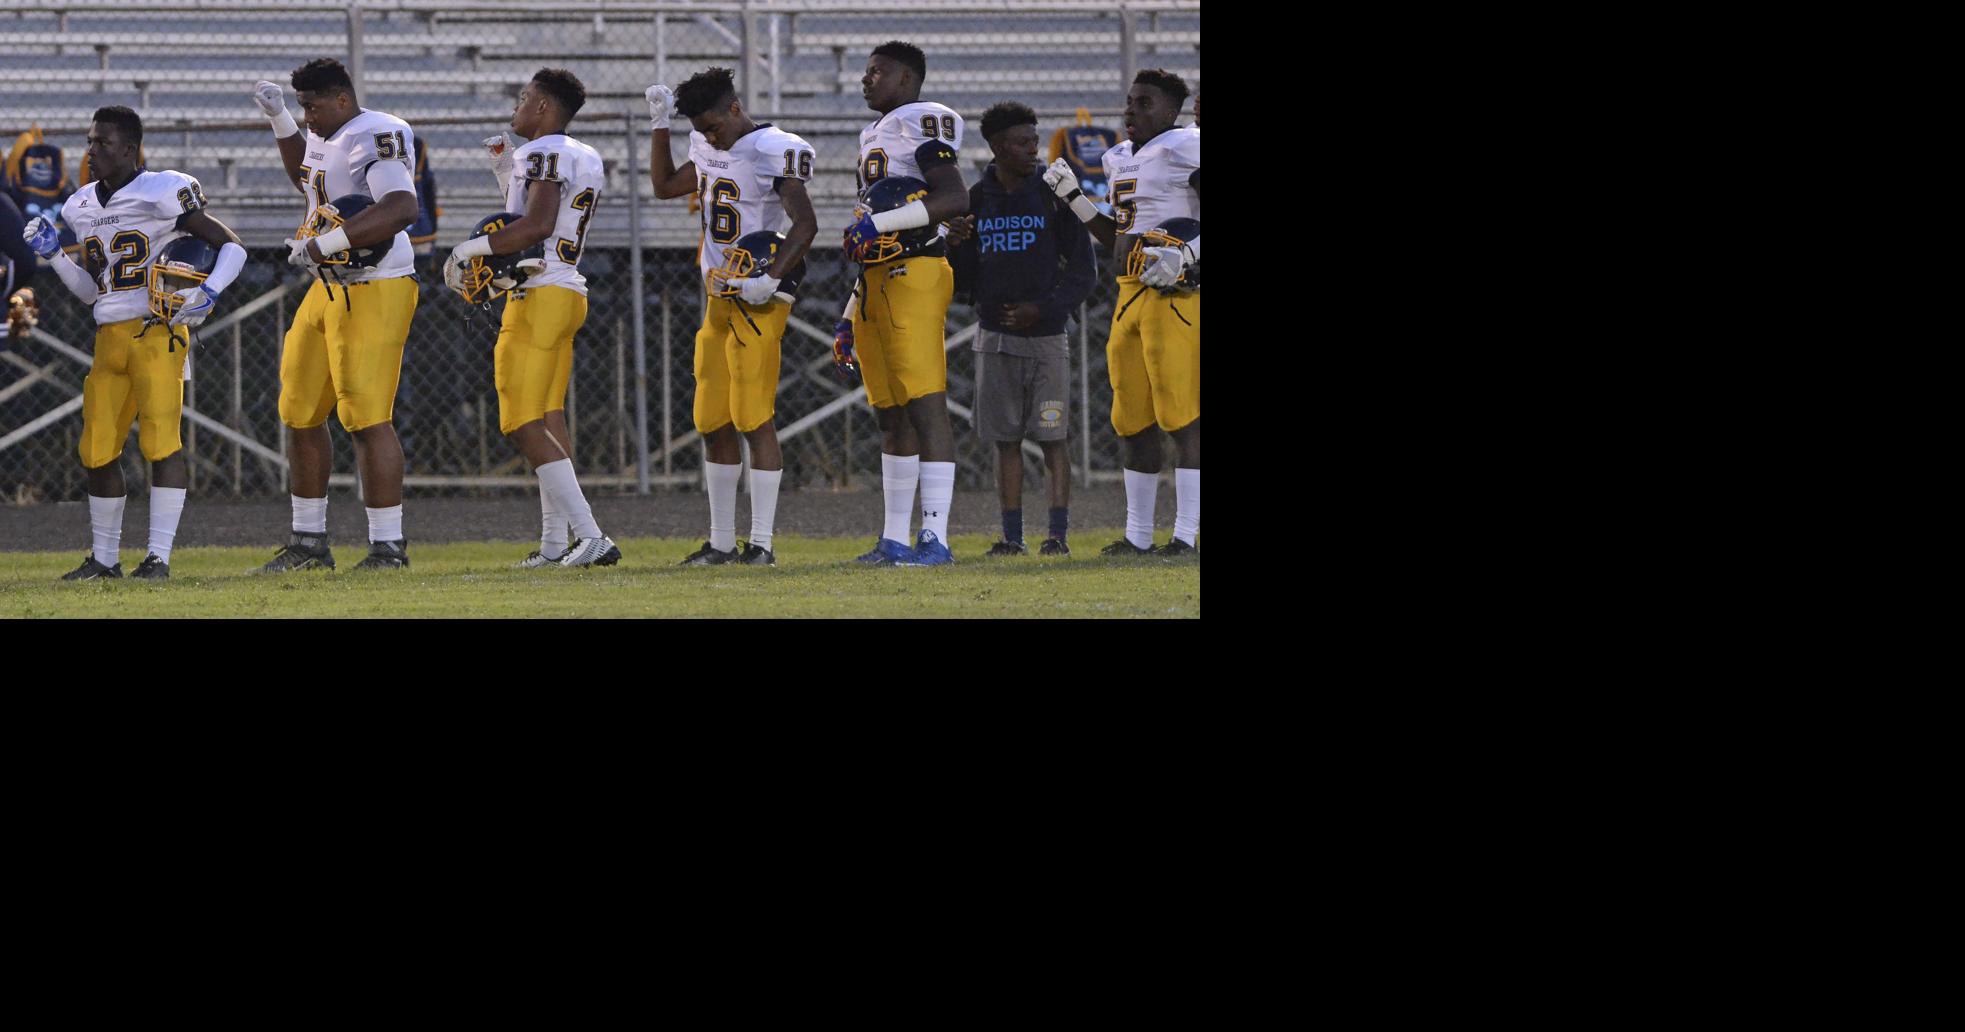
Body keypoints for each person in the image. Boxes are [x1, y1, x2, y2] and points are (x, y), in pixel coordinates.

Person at [21, 106, 247, 580]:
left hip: (158, 332)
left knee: (162, 443)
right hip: (109, 337)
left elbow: (233, 246)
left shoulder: (164, 189)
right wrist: (56, 257)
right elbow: (90, 292)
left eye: (103, 143)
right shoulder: (78, 205)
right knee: (96, 449)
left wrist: (208, 292)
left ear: (130, 149)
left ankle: (158, 558)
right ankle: (105, 560)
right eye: (89, 141)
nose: (91, 152)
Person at [249, 58, 423, 572]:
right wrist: (279, 119)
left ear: (343, 100)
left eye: (311, 106)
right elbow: (310, 178)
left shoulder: (380, 131)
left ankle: (388, 548)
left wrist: (330, 241)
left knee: (366, 417)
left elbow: (401, 207)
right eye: (302, 107)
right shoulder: (329, 133)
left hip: (376, 285)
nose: (308, 117)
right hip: (327, 286)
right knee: (298, 410)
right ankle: (308, 544)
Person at [644, 67, 817, 567]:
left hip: (760, 295)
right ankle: (721, 542)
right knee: (711, 418)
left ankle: (761, 543)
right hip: (718, 295)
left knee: (753, 417)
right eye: (700, 130)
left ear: (736, 109)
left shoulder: (774, 147)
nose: (708, 137)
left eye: (714, 126)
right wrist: (660, 125)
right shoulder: (704, 142)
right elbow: (663, 186)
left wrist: (772, 277)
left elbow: (806, 224)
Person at [448, 68, 620, 570]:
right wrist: (507, 177)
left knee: (520, 418)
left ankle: (591, 536)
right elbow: (542, 217)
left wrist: (468, 249)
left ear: (544, 107)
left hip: (540, 296)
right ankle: (553, 543)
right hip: (563, 289)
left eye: (524, 98)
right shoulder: (582, 154)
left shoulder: (545, 151)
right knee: (546, 416)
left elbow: (538, 224)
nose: (517, 107)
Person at [1043, 69, 1200, 556]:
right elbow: (1118, 237)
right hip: (1129, 292)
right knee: (1132, 418)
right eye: (1130, 101)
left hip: (1175, 294)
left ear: (1172, 111)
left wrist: (1191, 255)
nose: (1130, 110)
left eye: (1144, 103)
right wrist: (1075, 200)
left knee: (1183, 416)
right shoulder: (1121, 158)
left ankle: (1187, 535)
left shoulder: (1186, 145)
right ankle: (1137, 536)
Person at [835, 40, 971, 566]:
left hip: (915, 272)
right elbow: (876, 231)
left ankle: (935, 538)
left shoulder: (924, 119)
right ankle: (894, 537)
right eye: (867, 71)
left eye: (878, 72)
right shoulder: (874, 131)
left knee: (925, 403)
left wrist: (879, 223)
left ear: (909, 78)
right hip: (875, 281)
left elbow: (953, 198)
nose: (867, 80)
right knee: (890, 414)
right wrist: (849, 315)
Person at [944, 101, 1095, 557]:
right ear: (996, 147)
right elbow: (964, 280)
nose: (1034, 149)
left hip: (1047, 338)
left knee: (1053, 438)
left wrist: (1045, 309)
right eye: (1023, 142)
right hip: (995, 337)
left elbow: (1084, 271)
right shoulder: (976, 199)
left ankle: (1058, 536)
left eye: (1035, 140)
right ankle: (1012, 537)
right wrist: (957, 245)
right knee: (1005, 441)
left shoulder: (1054, 194)